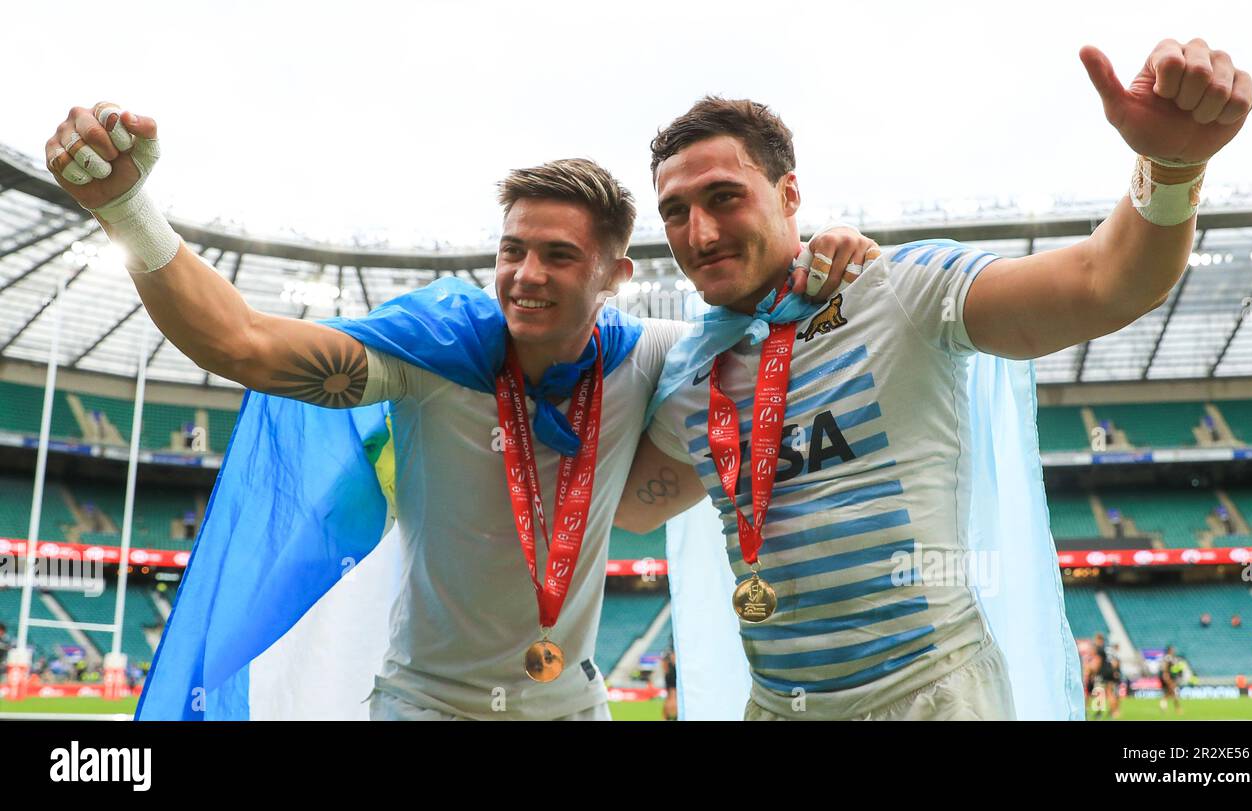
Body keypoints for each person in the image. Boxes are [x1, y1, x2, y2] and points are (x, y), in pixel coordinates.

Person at [45, 103, 872, 720]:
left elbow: (762, 338)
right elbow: (243, 342)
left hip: (570, 705)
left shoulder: (650, 356)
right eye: (513, 250)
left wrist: (828, 259)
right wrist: (128, 210)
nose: (526, 275)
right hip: (425, 705)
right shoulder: (434, 354)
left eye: (559, 255)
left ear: (616, 275)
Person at [617, 37, 1252, 720]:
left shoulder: (898, 290)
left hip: (931, 699)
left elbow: (1105, 281)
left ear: (789, 193)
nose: (700, 233)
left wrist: (1171, 168)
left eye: (724, 197)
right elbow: (630, 509)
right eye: (675, 211)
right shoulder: (692, 374)